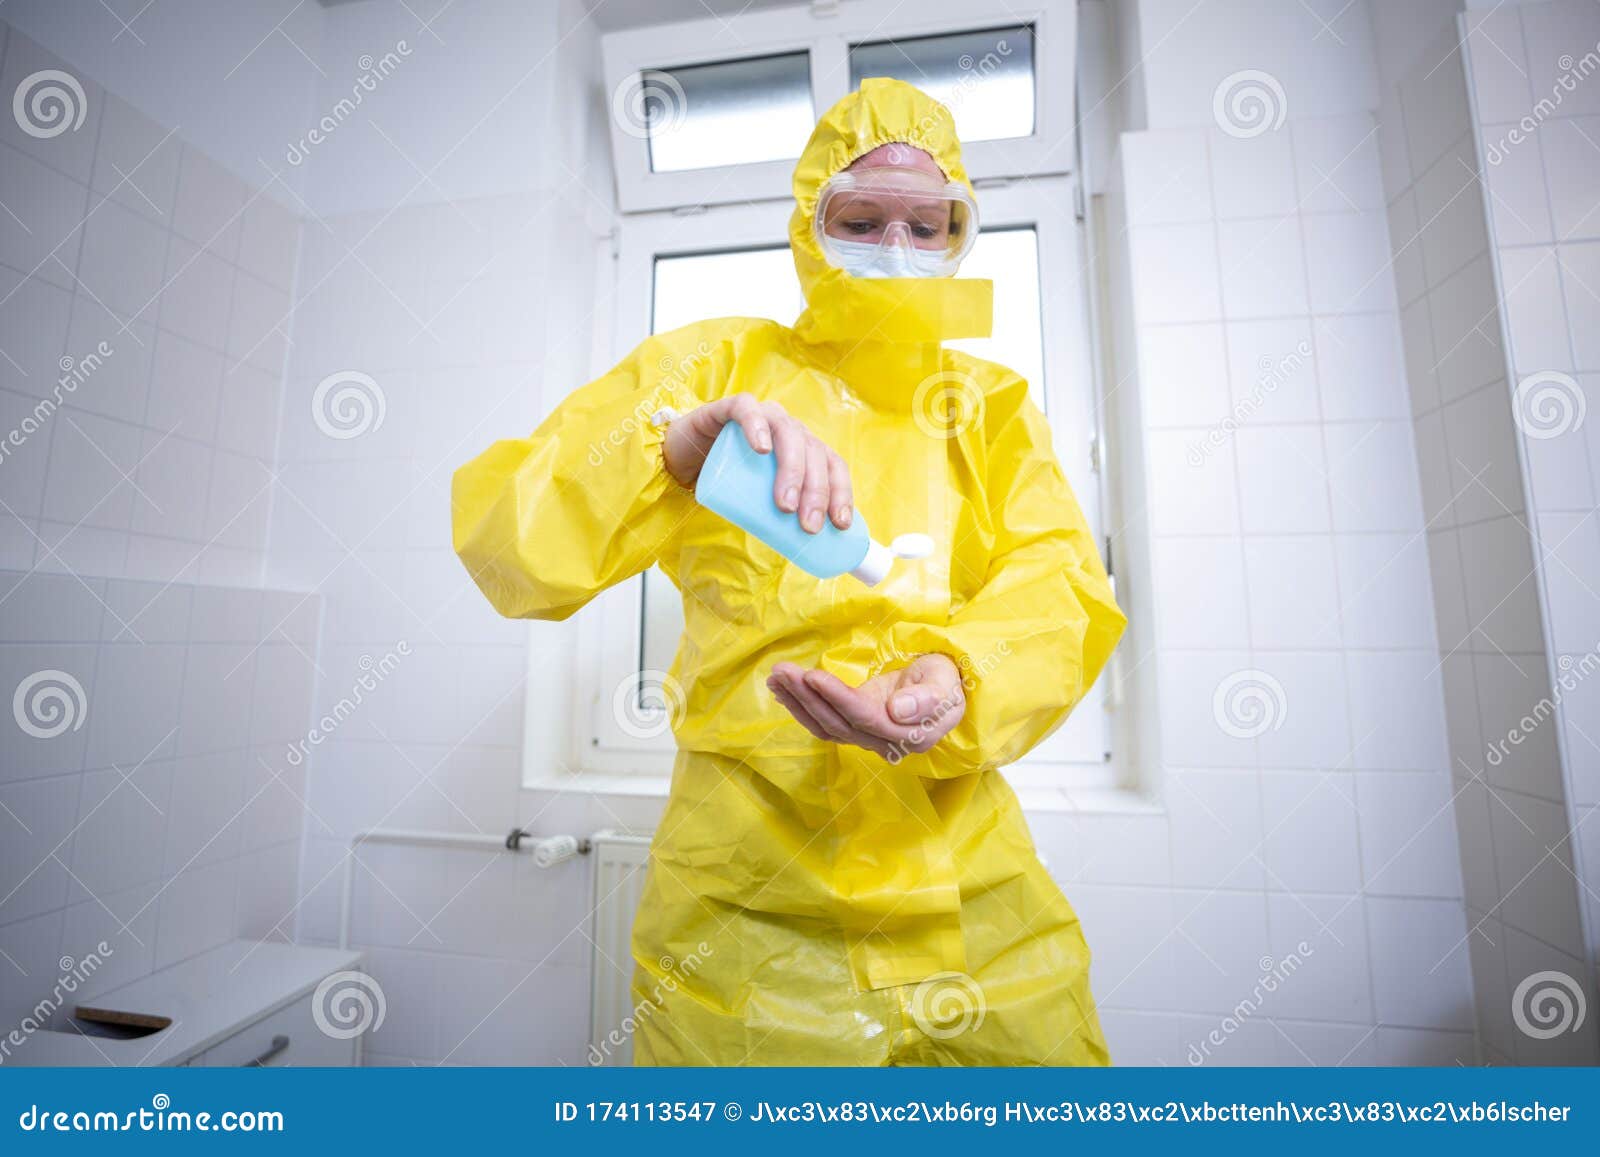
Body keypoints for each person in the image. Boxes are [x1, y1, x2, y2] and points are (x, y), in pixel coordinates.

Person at [452, 77, 1125, 1065]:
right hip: (744, 914)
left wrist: (955, 677)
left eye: (924, 225)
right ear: (809, 227)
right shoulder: (716, 367)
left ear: (956, 237)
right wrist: (667, 454)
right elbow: (513, 547)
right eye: (859, 220)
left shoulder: (987, 407)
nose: (893, 249)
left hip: (971, 899)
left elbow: (1059, 583)